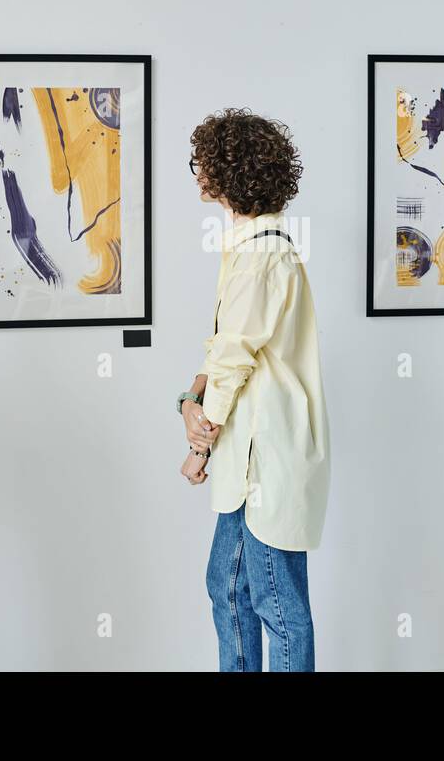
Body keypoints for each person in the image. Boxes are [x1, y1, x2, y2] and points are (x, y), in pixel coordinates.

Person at [178, 108, 330, 672]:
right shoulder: (254, 247)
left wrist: (198, 446)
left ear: (224, 172)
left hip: (264, 456)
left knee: (275, 602)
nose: (197, 173)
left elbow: (234, 357)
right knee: (230, 587)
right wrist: (192, 397)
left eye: (203, 162)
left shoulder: (260, 254)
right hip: (253, 455)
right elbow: (226, 348)